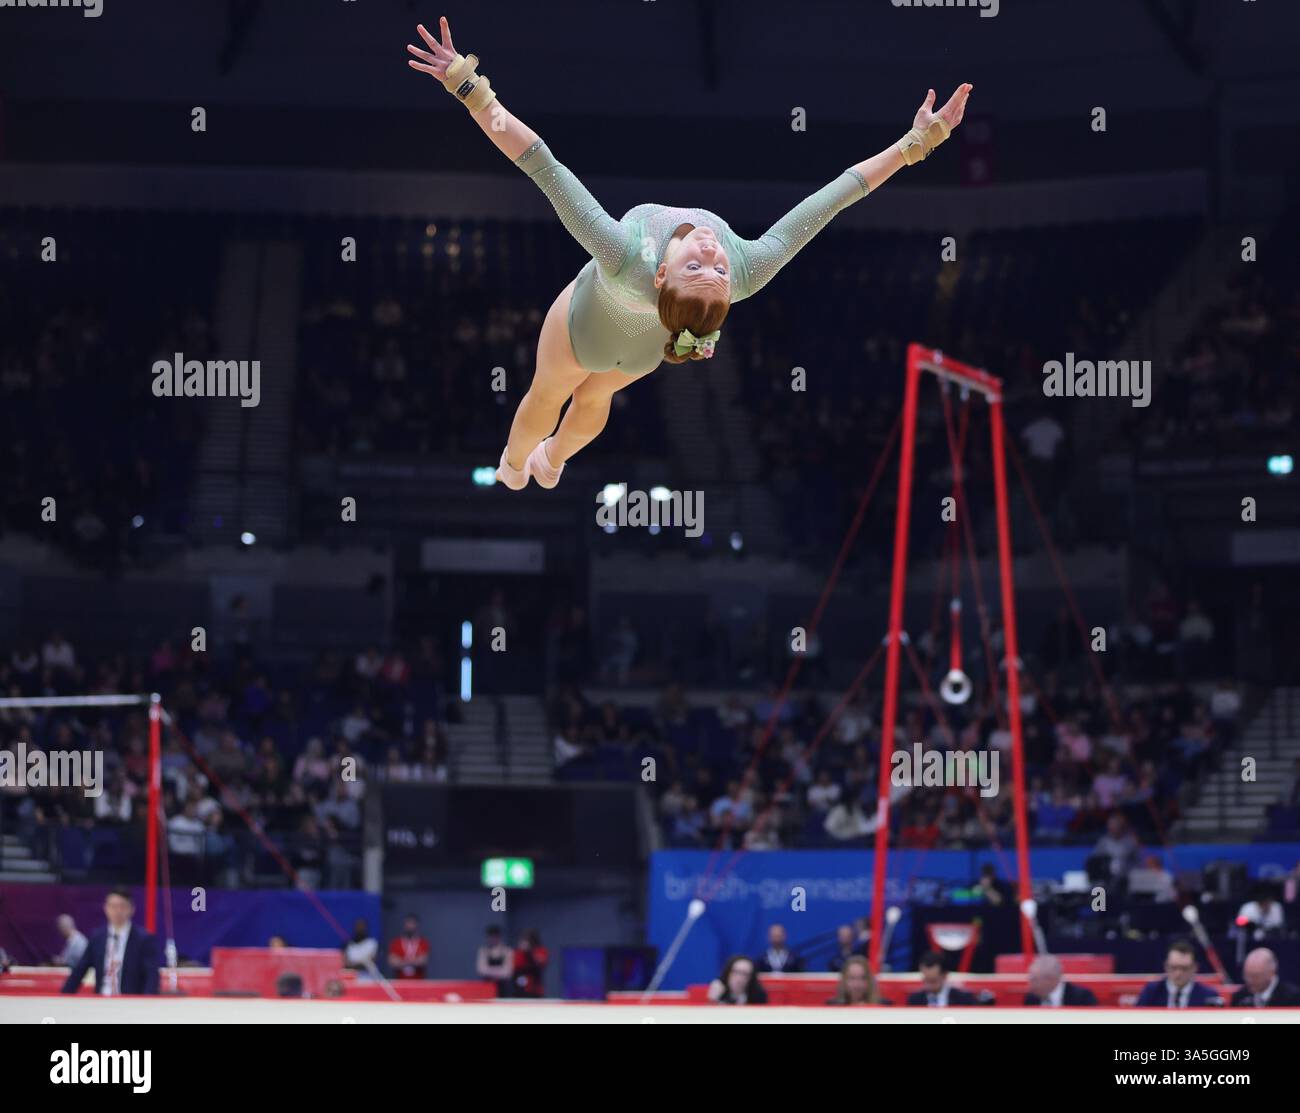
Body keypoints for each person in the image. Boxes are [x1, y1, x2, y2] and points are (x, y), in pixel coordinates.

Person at [405, 18, 972, 489]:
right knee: (596, 399)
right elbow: (836, 197)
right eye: (717, 268)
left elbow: (540, 163)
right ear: (732, 282)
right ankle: (550, 464)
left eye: (695, 266)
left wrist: (470, 87)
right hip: (644, 355)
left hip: (582, 331)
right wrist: (915, 144)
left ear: (659, 275)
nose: (710, 248)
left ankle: (512, 468)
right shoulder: (749, 268)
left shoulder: (621, 254)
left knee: (548, 392)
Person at [60, 889, 160, 996]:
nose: (118, 911)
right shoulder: (98, 937)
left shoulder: (143, 939)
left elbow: (152, 976)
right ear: (106, 908)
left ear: (131, 909)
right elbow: (80, 970)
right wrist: (63, 996)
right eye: (113, 906)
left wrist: (146, 1003)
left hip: (130, 1003)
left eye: (122, 906)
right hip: (102, 1000)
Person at [1134, 940, 1223, 1008]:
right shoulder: (1151, 992)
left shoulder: (1208, 995)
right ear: (1166, 966)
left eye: (1184, 968)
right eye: (1174, 967)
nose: (1178, 973)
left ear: (1195, 968)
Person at [1229, 948, 1300, 1008]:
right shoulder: (1240, 997)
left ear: (1271, 973)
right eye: (1247, 975)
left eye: (1255, 976)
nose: (1250, 980)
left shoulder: (1292, 998)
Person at [905, 952, 978, 1007]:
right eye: (926, 980)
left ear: (944, 976)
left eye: (933, 980)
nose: (928, 985)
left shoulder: (963, 999)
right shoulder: (914, 1000)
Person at [1022, 954, 1098, 1007]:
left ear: (1051, 979)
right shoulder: (1031, 998)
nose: (1030, 984)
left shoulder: (1082, 997)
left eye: (1034, 980)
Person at [387, 915, 431, 980]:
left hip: (419, 981)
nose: (410, 926)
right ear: (404, 925)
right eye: (408, 923)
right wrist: (414, 961)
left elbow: (423, 961)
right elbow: (392, 961)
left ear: (417, 925)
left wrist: (402, 961)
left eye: (412, 924)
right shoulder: (396, 943)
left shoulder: (423, 943)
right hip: (400, 981)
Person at [476, 924, 514, 996]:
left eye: (495, 937)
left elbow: (508, 972)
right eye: (491, 937)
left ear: (499, 937)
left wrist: (490, 971)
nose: (492, 939)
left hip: (503, 987)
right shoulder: (483, 951)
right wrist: (499, 971)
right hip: (487, 986)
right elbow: (481, 970)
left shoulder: (507, 951)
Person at [512, 930, 549, 998]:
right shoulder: (518, 952)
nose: (526, 943)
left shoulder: (540, 950)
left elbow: (541, 964)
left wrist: (530, 952)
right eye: (524, 940)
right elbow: (516, 967)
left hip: (536, 987)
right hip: (520, 986)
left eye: (529, 940)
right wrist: (524, 952)